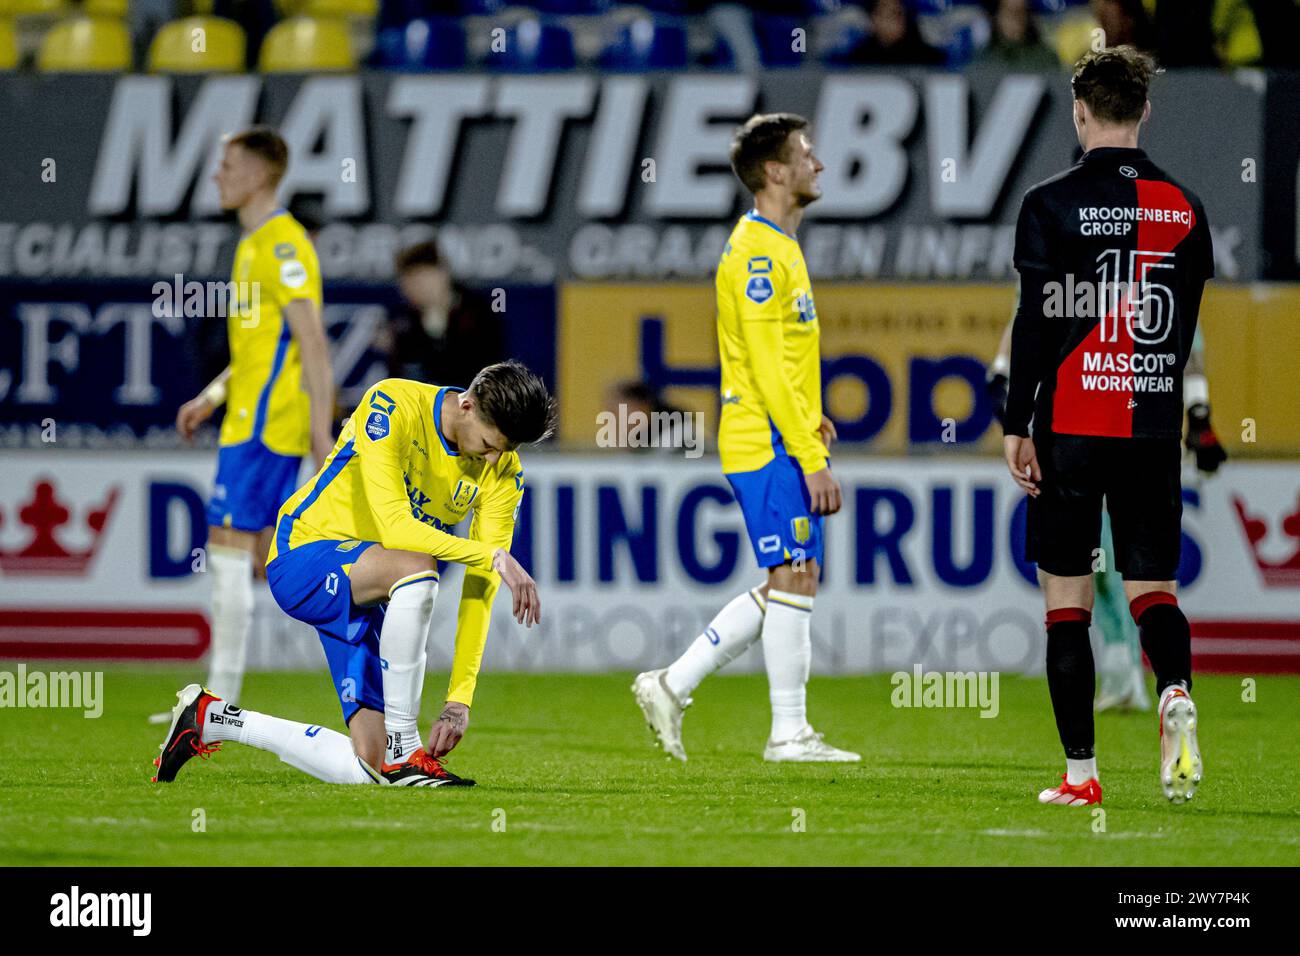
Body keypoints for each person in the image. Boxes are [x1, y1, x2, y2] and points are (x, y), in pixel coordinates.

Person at [154, 362, 555, 787]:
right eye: (490, 444)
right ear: (468, 405)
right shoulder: (393, 404)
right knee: (418, 566)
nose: (493, 458)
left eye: (505, 450)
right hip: (303, 554)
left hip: (365, 588)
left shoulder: (503, 471)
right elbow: (395, 527)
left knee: (369, 765)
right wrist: (492, 555)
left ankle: (209, 719)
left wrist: (460, 698)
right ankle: (405, 746)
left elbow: (480, 589)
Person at [1001, 47, 1213, 806]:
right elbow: (1182, 327)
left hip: (1072, 422)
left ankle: (1082, 778)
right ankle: (1176, 689)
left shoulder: (1049, 202)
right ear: (1145, 110)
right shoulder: (1185, 206)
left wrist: (1014, 421)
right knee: (1154, 587)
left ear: (1079, 110)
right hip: (1151, 425)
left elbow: (1034, 323)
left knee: (1068, 601)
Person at [633, 113, 859, 764]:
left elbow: (781, 362)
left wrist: (810, 418)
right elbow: (762, 364)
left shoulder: (780, 246)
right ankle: (787, 733)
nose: (818, 164)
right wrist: (810, 455)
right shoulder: (759, 253)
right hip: (763, 442)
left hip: (779, 435)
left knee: (797, 576)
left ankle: (673, 684)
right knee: (793, 574)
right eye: (806, 154)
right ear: (775, 171)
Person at [986, 321, 1227, 714]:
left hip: (1079, 429)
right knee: (1130, 571)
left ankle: (1121, 681)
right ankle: (1158, 682)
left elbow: (1029, 313)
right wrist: (1199, 414)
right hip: (1142, 433)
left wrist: (1005, 383)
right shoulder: (1158, 268)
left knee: (1090, 568)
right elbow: (1186, 340)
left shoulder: (1073, 265)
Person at [173, 126, 335, 709]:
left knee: (229, 547)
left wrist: (321, 429)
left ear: (261, 174)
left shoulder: (285, 245)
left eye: (227, 164)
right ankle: (217, 699)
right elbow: (256, 352)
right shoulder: (250, 245)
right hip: (245, 416)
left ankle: (214, 704)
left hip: (271, 424)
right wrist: (210, 399)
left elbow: (312, 340)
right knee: (256, 554)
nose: (217, 174)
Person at [377, 240, 505, 389]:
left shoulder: (479, 313)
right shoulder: (402, 321)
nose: (414, 289)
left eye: (420, 280)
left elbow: (483, 369)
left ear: (442, 273)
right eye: (407, 283)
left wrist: (435, 335)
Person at [976, 0, 1060, 71]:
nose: (1016, 21)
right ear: (997, 17)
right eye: (1010, 13)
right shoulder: (983, 58)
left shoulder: (1046, 58)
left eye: (1020, 13)